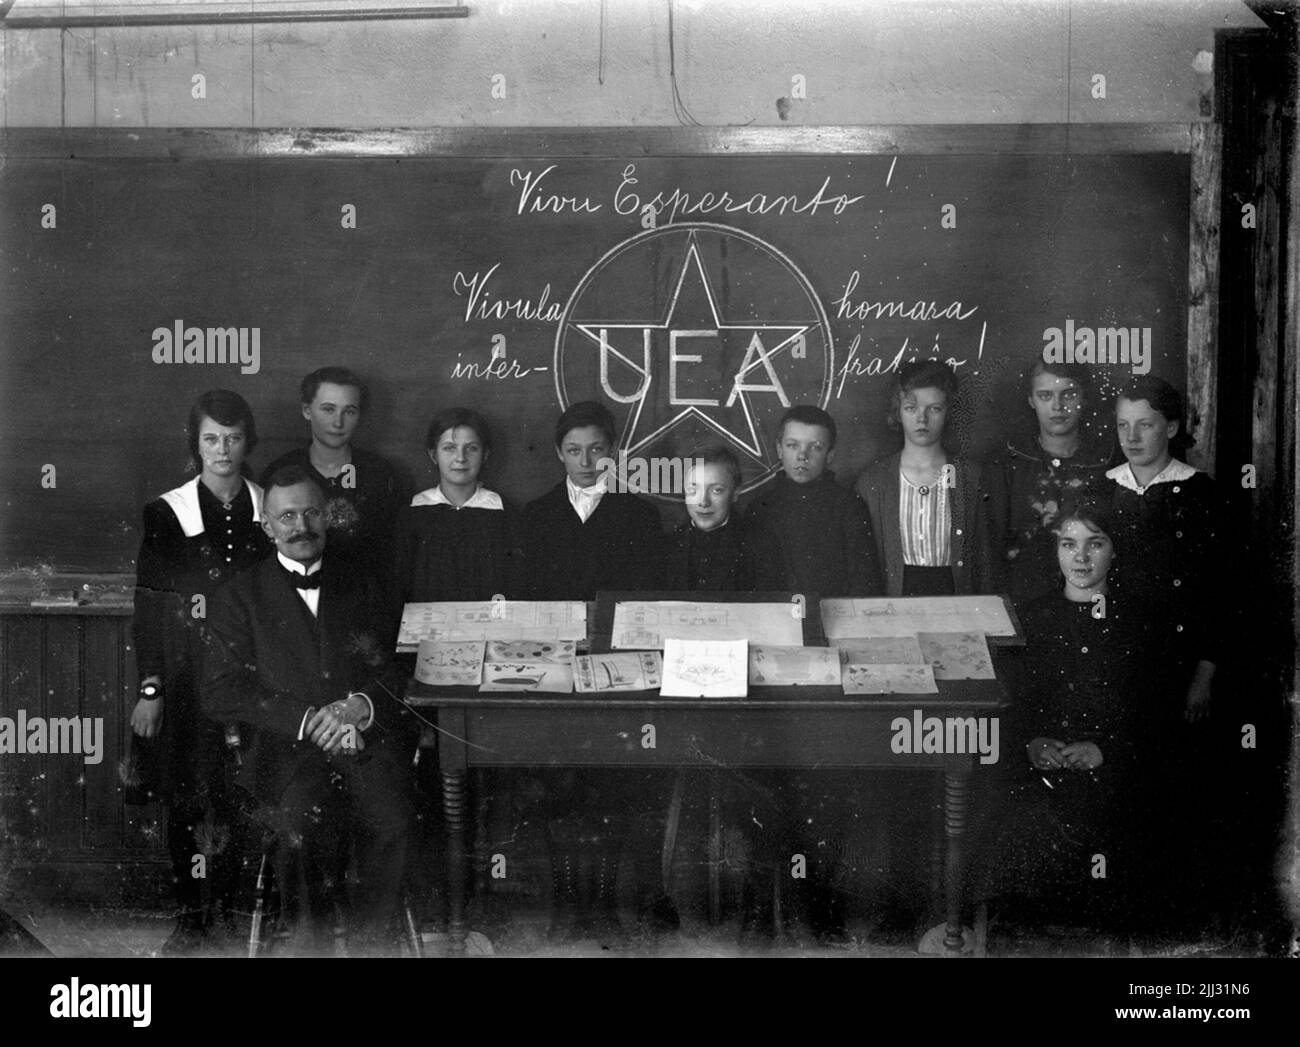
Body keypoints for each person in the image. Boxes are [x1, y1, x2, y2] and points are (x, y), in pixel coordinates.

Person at [201, 466, 415, 952]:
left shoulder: (367, 583)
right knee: (297, 827)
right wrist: (303, 720)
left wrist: (362, 705)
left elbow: (402, 667)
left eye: (312, 512)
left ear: (327, 517)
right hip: (285, 756)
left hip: (363, 744)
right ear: (267, 525)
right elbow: (220, 690)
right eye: (288, 515)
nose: (302, 525)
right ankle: (309, 945)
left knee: (393, 821)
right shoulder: (239, 595)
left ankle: (371, 945)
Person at [130, 389, 270, 954]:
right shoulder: (168, 512)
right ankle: (191, 918)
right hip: (186, 682)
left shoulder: (270, 505)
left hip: (253, 680)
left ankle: (233, 912)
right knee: (187, 799)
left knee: (243, 797)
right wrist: (151, 687)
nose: (223, 449)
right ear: (197, 443)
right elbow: (151, 608)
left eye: (233, 438)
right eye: (211, 438)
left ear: (247, 442)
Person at [982, 500, 1154, 933]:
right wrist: (1031, 744)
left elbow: (1153, 710)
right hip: (1040, 769)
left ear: (1114, 551)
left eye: (1094, 544)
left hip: (1116, 773)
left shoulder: (1138, 622)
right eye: (1068, 544)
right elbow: (1009, 703)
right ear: (1055, 550)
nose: (1080, 557)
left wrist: (1105, 750)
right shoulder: (1030, 619)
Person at [1105, 376, 1229, 931]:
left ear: (1173, 428)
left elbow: (1227, 594)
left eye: (1146, 424)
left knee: (1174, 787)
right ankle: (1121, 912)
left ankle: (1174, 919)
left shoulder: (1202, 494)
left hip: (1178, 667)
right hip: (1118, 659)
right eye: (1123, 424)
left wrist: (1204, 674)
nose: (1132, 436)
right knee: (1118, 781)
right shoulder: (1101, 489)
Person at [983, 360, 1118, 611]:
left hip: (1094, 602)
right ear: (1031, 400)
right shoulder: (1008, 462)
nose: (1058, 406)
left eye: (1069, 394)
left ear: (1084, 396)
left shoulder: (1108, 462)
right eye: (1045, 396)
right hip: (1024, 602)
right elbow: (992, 546)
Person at [856, 360, 994, 596]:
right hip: (897, 598)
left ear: (948, 412)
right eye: (911, 408)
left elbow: (984, 561)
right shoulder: (873, 481)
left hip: (956, 598)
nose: (922, 419)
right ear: (898, 411)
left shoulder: (969, 477)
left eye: (934, 408)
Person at [260, 367, 408, 577]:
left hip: (367, 594)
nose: (338, 422)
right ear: (307, 410)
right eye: (328, 409)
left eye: (349, 411)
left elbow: (396, 550)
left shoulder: (380, 473)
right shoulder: (281, 471)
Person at [522, 400, 662, 600]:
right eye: (574, 451)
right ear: (559, 452)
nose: (585, 462)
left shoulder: (642, 515)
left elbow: (646, 596)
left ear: (612, 449)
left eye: (596, 450)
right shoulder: (536, 514)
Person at [747, 405, 882, 597]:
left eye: (815, 447)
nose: (802, 456)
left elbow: (864, 581)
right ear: (779, 449)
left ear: (830, 455)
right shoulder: (759, 509)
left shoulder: (849, 507)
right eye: (792, 445)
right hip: (774, 620)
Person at [394, 407, 520, 605]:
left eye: (471, 448)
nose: (460, 458)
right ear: (433, 454)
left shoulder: (503, 513)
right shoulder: (414, 513)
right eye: (449, 448)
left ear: (485, 454)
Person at [663, 446, 755, 591]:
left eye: (716, 490)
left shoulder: (757, 546)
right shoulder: (667, 546)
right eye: (693, 490)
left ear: (735, 493)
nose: (703, 502)